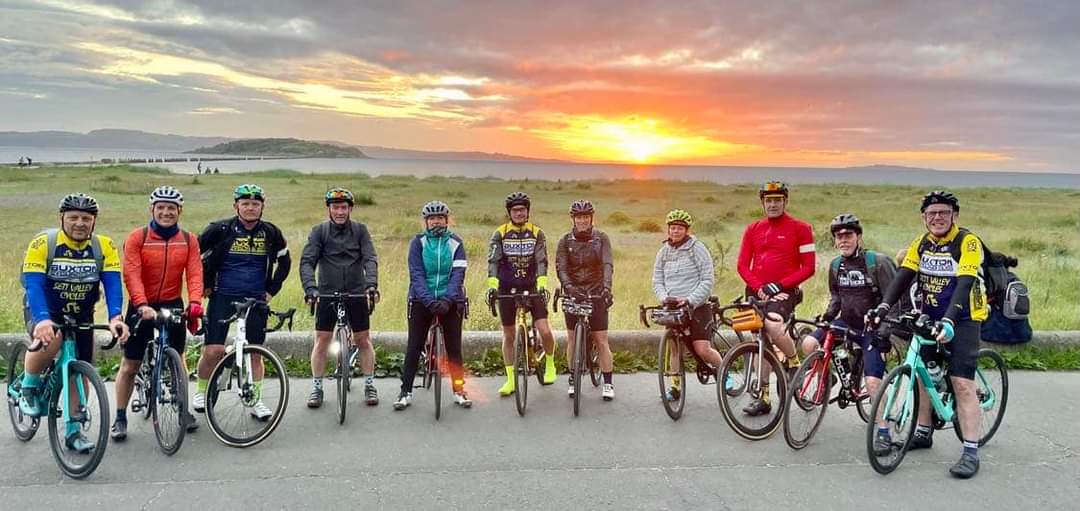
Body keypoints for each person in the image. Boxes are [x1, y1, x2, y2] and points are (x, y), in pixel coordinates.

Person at [867, 190, 989, 479]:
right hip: (931, 314)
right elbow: (903, 276)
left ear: (954, 216)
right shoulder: (921, 243)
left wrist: (949, 321)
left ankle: (970, 451)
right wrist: (882, 307)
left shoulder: (968, 242)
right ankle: (923, 431)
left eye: (944, 213)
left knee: (962, 383)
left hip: (964, 318)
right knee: (921, 373)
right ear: (924, 218)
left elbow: (964, 283)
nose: (937, 218)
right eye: (931, 214)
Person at [19, 193, 130, 453]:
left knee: (80, 368)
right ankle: (29, 386)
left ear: (94, 221)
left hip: (82, 313)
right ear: (62, 218)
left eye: (86, 219)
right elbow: (34, 284)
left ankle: (74, 430)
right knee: (51, 339)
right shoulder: (44, 243)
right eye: (73, 217)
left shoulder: (104, 246)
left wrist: (115, 317)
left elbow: (113, 284)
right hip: (44, 309)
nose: (80, 223)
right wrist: (42, 320)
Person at [111, 186, 204, 441]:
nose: (166, 212)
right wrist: (142, 305)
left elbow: (194, 273)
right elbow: (131, 274)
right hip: (142, 304)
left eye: (171, 208)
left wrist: (195, 302)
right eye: (160, 207)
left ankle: (181, 408)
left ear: (179, 211)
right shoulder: (137, 237)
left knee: (178, 358)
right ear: (152, 209)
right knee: (131, 364)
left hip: (172, 301)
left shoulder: (188, 240)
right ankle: (120, 417)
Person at [193, 184, 290, 421]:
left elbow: (285, 262)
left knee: (255, 352)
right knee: (213, 350)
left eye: (255, 204)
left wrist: (271, 291)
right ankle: (202, 391)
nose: (250, 208)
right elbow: (193, 257)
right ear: (236, 206)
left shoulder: (271, 232)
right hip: (223, 296)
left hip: (255, 299)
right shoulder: (219, 229)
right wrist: (205, 283)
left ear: (262, 207)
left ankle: (255, 399)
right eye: (245, 204)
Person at [799, 214, 895, 427]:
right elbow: (836, 297)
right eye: (839, 236)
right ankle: (826, 378)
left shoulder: (877, 262)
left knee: (872, 383)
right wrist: (827, 316)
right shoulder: (836, 265)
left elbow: (893, 300)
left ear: (858, 237)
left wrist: (884, 334)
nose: (843, 240)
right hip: (846, 322)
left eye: (848, 235)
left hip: (873, 329)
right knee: (809, 343)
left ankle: (883, 431)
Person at [736, 181, 816, 416]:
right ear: (762, 202)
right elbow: (742, 265)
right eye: (769, 200)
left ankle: (793, 362)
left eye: (777, 200)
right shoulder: (753, 229)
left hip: (785, 291)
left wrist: (780, 285)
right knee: (759, 343)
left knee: (772, 325)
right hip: (757, 290)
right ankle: (763, 397)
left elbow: (809, 267)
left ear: (785, 201)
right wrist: (760, 288)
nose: (773, 204)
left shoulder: (801, 228)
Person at [300, 187, 381, 408]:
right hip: (327, 292)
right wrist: (311, 289)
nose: (340, 212)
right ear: (329, 209)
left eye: (344, 207)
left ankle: (369, 384)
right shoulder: (319, 232)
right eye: (335, 207)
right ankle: (317, 388)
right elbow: (307, 261)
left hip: (356, 291)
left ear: (350, 209)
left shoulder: (360, 231)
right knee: (322, 340)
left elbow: (370, 258)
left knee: (363, 339)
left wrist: (371, 285)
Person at [395, 201, 471, 410]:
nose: (436, 221)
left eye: (439, 218)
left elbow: (458, 275)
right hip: (421, 300)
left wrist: (447, 300)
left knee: (454, 348)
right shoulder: (417, 243)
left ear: (447, 220)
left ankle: (459, 390)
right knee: (414, 346)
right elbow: (416, 274)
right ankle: (405, 392)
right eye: (432, 218)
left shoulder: (456, 243)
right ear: (426, 222)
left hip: (450, 300)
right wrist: (429, 300)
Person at [487, 191, 558, 396]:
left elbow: (542, 260)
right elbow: (493, 261)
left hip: (532, 287)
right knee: (509, 335)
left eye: (522, 210)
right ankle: (510, 380)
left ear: (528, 212)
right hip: (507, 288)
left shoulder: (537, 233)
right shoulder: (500, 233)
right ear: (509, 213)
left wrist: (542, 283)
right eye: (515, 210)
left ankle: (550, 363)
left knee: (544, 330)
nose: (519, 213)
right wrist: (493, 286)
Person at [652, 209, 721, 401]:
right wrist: (664, 297)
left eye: (680, 228)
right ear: (668, 229)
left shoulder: (697, 248)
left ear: (687, 230)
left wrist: (690, 299)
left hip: (697, 306)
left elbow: (707, 280)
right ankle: (675, 387)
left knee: (702, 349)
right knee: (674, 347)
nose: (675, 231)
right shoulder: (663, 252)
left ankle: (724, 374)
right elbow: (657, 279)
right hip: (673, 308)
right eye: (672, 228)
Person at [556, 199, 616, 401]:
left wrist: (606, 288)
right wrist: (569, 288)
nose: (582, 221)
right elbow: (561, 267)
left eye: (586, 217)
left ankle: (608, 382)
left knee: (601, 339)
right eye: (579, 217)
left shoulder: (601, 238)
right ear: (573, 219)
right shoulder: (565, 241)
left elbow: (607, 264)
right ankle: (573, 377)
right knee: (572, 338)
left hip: (596, 291)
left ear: (591, 218)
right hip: (574, 292)